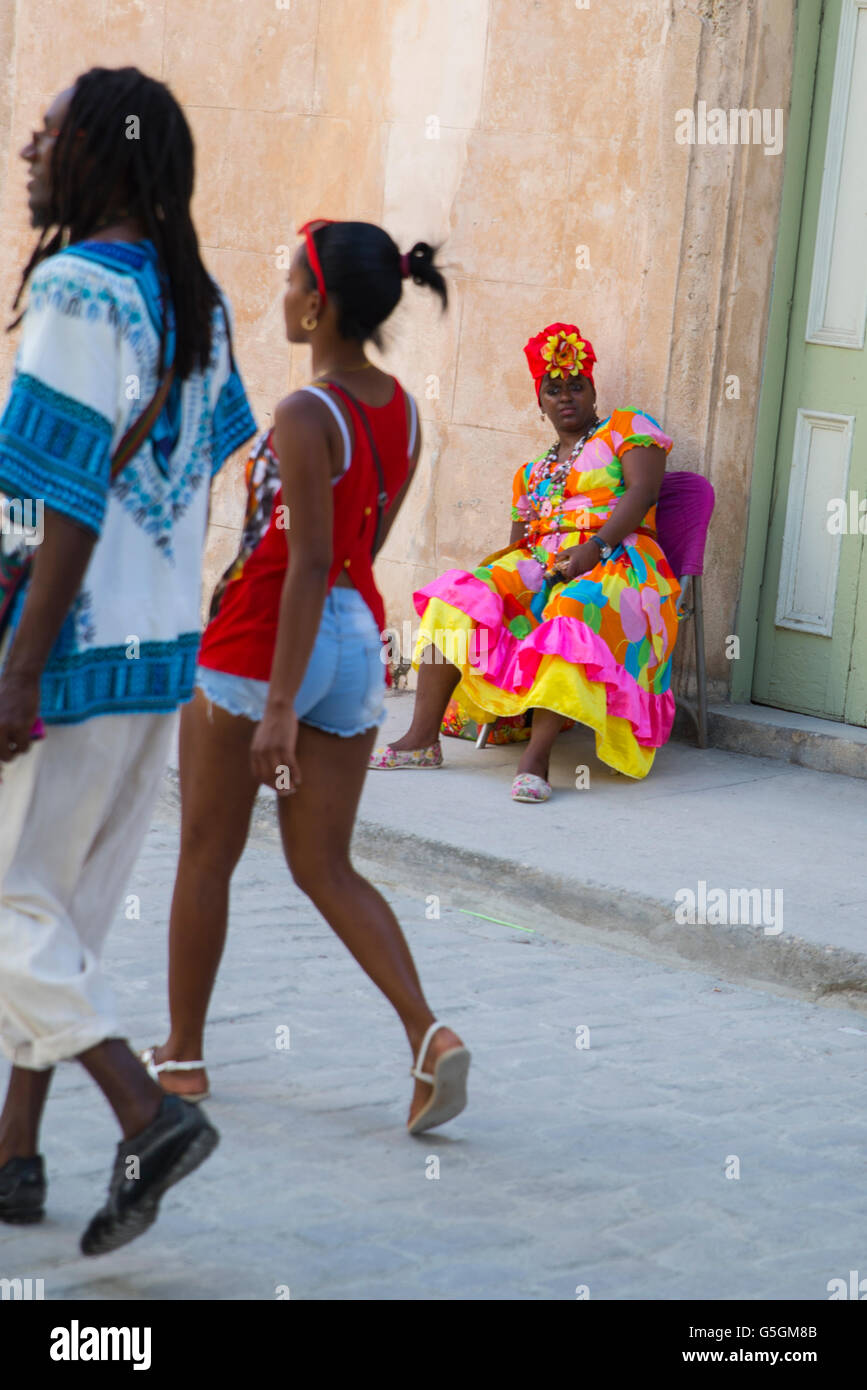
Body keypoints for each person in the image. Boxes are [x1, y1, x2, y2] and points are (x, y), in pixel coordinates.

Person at [0, 67, 256, 1253]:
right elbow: (205, 474)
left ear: (99, 152)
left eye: (47, 135)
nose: (28, 151)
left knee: (11, 911)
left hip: (65, 649)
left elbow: (60, 494)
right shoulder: (198, 299)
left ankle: (145, 1108)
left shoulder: (75, 288)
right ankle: (15, 1153)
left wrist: (19, 665)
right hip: (158, 653)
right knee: (62, 912)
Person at [141, 220, 471, 1136]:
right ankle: (427, 1033)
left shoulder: (302, 413)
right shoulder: (401, 408)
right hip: (358, 642)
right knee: (324, 863)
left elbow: (311, 560)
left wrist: (278, 706)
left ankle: (184, 1056)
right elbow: (366, 546)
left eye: (291, 278)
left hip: (266, 644)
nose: (281, 292)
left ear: (319, 302)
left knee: (208, 852)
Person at [370, 322, 680, 799]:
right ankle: (421, 741)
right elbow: (520, 546)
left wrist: (594, 548)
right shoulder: (531, 472)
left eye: (576, 386)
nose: (566, 397)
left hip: (621, 560)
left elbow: (642, 493)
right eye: (553, 390)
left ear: (593, 390)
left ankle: (537, 759)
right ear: (539, 403)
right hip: (544, 560)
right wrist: (503, 587)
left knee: (573, 608)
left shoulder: (627, 427)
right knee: (455, 598)